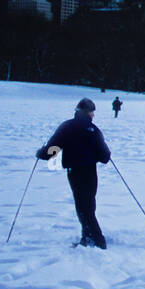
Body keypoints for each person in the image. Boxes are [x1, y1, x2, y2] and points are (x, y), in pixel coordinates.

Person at [37, 97, 111, 249]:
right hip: (90, 172)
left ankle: (95, 240)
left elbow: (51, 150)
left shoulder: (67, 127)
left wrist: (40, 152)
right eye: (92, 113)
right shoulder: (94, 130)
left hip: (76, 172)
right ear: (88, 113)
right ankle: (90, 237)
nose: (93, 116)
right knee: (88, 204)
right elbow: (105, 157)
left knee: (83, 206)